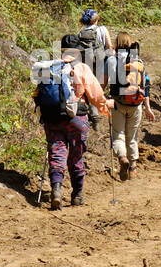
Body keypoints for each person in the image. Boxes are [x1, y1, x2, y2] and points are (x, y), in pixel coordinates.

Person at [32, 34, 112, 209]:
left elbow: (36, 94)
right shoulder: (81, 68)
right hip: (77, 118)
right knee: (76, 156)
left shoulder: (49, 68)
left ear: (61, 51)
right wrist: (105, 107)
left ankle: (56, 191)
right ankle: (77, 195)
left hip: (53, 119)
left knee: (56, 154)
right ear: (77, 52)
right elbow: (96, 95)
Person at [104, 32, 153, 180]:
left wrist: (101, 100)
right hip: (136, 103)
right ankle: (132, 169)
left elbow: (103, 83)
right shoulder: (138, 61)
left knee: (118, 135)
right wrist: (147, 107)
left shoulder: (111, 60)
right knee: (132, 137)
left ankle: (122, 158)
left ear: (116, 43)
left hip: (118, 102)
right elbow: (146, 85)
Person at [76, 9, 112, 129]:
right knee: (98, 86)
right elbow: (109, 47)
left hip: (87, 62)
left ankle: (94, 113)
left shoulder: (80, 33)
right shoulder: (102, 29)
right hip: (100, 60)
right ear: (96, 19)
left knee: (89, 87)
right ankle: (99, 111)